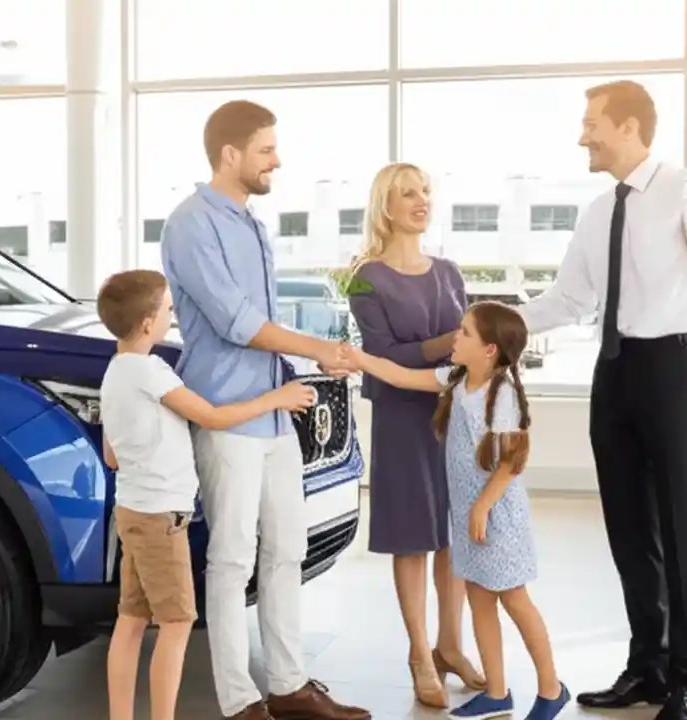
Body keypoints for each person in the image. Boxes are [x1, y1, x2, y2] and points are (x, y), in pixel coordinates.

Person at [159, 99, 370, 720]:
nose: (277, 159)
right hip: (227, 410)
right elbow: (236, 322)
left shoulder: (252, 223)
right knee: (230, 559)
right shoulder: (191, 223)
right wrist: (318, 349)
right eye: (266, 149)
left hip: (276, 415)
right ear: (231, 154)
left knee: (286, 550)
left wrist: (306, 362)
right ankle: (239, 701)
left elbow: (264, 325)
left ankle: (288, 685)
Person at [515, 80, 687, 720]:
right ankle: (648, 667)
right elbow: (569, 301)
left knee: (684, 528)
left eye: (592, 123)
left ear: (628, 126)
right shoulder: (599, 210)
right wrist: (497, 322)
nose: (582, 135)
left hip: (677, 364)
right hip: (616, 369)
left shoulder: (686, 187)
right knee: (629, 528)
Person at [96, 269, 318, 720]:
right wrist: (277, 399)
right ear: (146, 323)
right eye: (167, 310)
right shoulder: (152, 372)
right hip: (162, 518)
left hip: (133, 511)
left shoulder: (115, 372)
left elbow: (112, 454)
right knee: (176, 623)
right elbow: (213, 416)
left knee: (132, 619)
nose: (170, 318)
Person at [341, 302, 570, 720]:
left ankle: (551, 688)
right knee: (480, 601)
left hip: (496, 517)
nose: (455, 338)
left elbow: (512, 462)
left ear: (489, 350)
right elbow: (401, 375)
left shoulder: (501, 394)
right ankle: (497, 692)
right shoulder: (458, 380)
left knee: (515, 600)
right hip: (469, 516)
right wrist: (359, 359)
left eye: (464, 333)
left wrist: (482, 507)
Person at [343, 162, 483, 708]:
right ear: (386, 206)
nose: (421, 200)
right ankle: (420, 654)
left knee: (452, 535)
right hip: (403, 418)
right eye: (407, 193)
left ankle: (452, 645)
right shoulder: (364, 276)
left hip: (455, 417)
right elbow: (381, 357)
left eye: (425, 191)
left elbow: (470, 349)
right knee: (413, 537)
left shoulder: (449, 271)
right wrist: (447, 342)